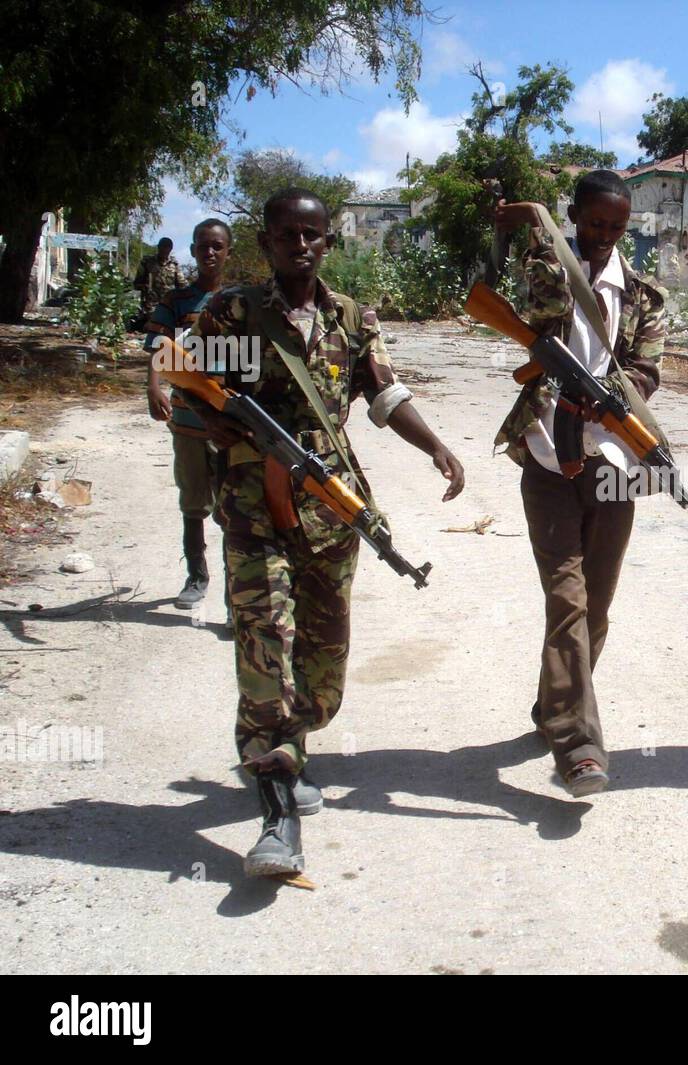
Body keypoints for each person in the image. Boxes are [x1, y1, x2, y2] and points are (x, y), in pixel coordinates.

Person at [186, 187, 465, 877]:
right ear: (267, 240)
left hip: (330, 513)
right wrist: (213, 422)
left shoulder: (348, 317)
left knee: (322, 670)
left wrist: (435, 446)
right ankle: (277, 811)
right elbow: (177, 386)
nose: (301, 245)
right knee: (265, 649)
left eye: (313, 235)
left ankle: (293, 743)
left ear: (328, 242)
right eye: (287, 234)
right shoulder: (232, 314)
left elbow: (384, 393)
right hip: (254, 514)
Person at [493, 170, 667, 798]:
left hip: (613, 464)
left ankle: (553, 704)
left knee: (595, 604)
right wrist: (537, 242)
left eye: (615, 227)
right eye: (593, 223)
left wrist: (611, 400)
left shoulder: (643, 295)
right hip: (545, 456)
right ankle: (579, 744)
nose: (602, 236)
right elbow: (523, 310)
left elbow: (647, 368)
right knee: (565, 598)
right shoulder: (549, 269)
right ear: (574, 217)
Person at [143, 219, 232, 611]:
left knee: (235, 510)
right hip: (187, 421)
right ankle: (196, 576)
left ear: (228, 251)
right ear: (193, 250)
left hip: (231, 422)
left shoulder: (239, 301)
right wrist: (154, 386)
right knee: (193, 502)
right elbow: (159, 347)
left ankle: (236, 594)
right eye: (202, 246)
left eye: (217, 246)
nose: (209, 253)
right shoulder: (176, 301)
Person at [132, 237, 185, 328]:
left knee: (173, 326)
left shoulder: (174, 264)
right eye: (162, 247)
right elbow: (137, 283)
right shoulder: (147, 262)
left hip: (169, 302)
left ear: (170, 249)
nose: (164, 250)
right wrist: (146, 289)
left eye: (167, 248)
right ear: (158, 247)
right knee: (154, 326)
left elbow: (182, 284)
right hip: (151, 303)